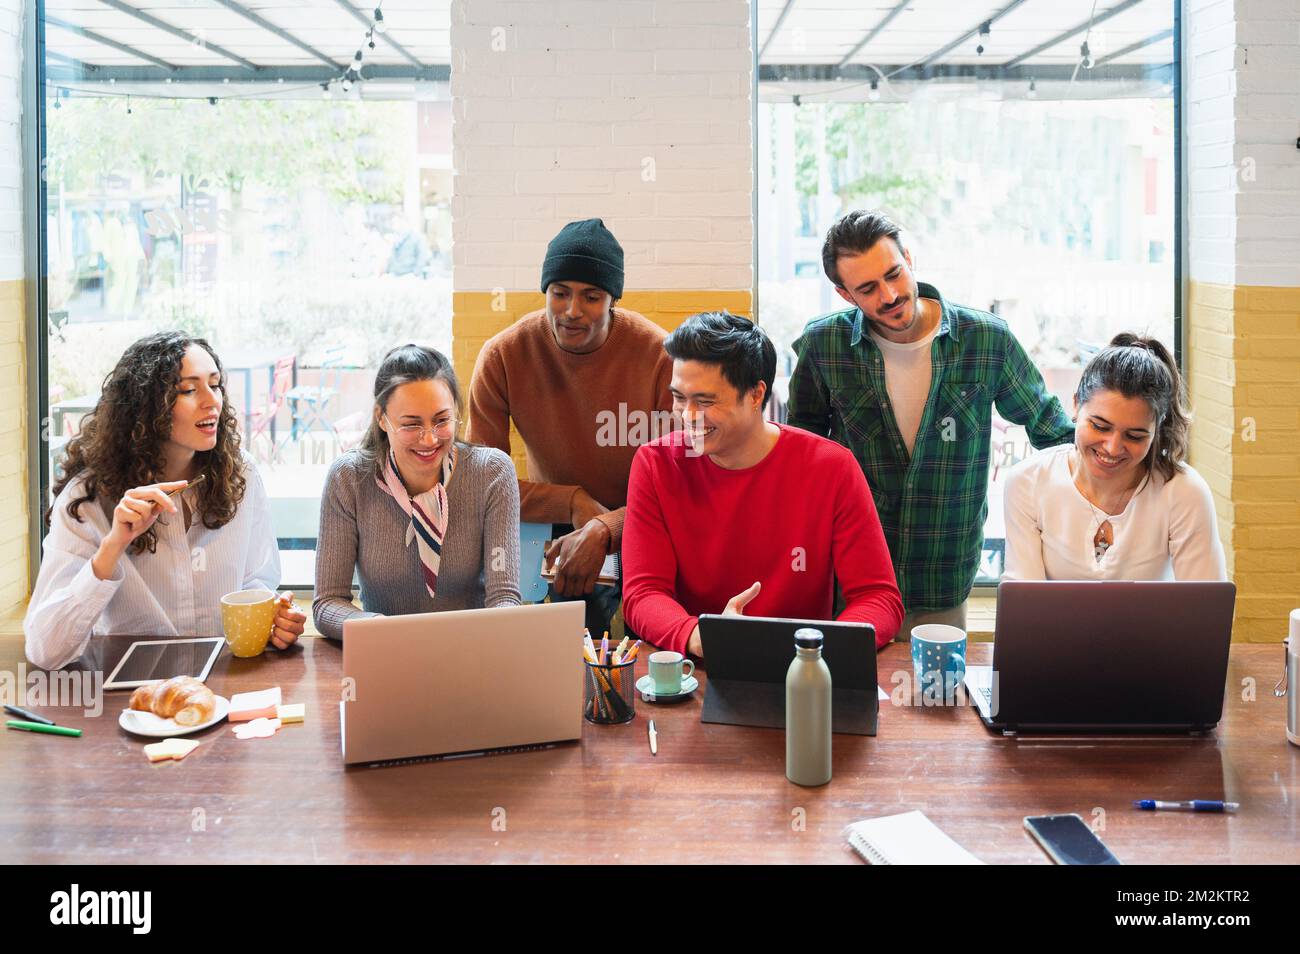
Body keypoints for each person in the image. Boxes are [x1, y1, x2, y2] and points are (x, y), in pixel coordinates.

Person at [787, 210, 1075, 638]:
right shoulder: (823, 345)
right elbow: (803, 452)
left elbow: (1051, 431)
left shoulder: (986, 340)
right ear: (844, 294)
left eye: (894, 274)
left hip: (944, 568)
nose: (888, 295)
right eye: (867, 288)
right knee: (852, 697)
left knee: (937, 697)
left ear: (909, 257)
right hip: (855, 573)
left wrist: (1128, 468)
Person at [622, 311, 903, 658]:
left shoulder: (832, 467)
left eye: (706, 401)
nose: (687, 415)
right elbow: (644, 592)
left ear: (756, 395)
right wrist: (698, 635)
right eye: (680, 397)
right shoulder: (655, 465)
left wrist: (818, 652)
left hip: (807, 667)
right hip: (700, 667)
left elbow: (878, 598)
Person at [26, 331, 305, 670]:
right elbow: (46, 652)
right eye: (189, 389)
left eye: (214, 385)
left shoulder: (241, 473)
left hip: (223, 681)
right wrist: (112, 547)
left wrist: (273, 617)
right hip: (128, 695)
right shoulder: (86, 499)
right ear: (145, 409)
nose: (211, 401)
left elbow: (256, 580)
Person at [466, 218, 673, 636]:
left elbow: (682, 485)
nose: (572, 311)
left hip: (648, 518)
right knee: (569, 631)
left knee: (653, 626)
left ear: (613, 299)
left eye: (591, 297)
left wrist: (606, 527)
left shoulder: (659, 356)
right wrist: (573, 502)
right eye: (560, 293)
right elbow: (482, 484)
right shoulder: (503, 356)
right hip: (558, 521)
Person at [314, 344, 520, 640]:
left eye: (442, 420)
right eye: (411, 424)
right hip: (385, 651)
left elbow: (505, 598)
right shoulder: (348, 479)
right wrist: (386, 631)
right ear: (382, 418)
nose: (429, 439)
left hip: (470, 652)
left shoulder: (491, 472)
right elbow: (327, 603)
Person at [1003, 334, 1226, 581]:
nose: (1112, 447)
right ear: (1076, 404)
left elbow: (1202, 608)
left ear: (1156, 430)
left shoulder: (1183, 491)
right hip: (1051, 623)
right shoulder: (1027, 482)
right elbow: (1025, 600)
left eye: (1135, 436)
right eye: (1100, 426)